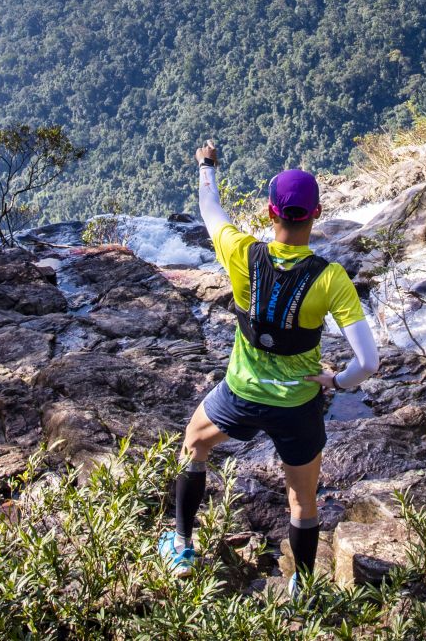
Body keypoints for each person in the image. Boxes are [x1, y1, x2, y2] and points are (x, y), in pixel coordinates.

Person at [159, 141, 379, 590]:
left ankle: (182, 543)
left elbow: (209, 207)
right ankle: (302, 588)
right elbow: (368, 362)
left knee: (194, 446)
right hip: (298, 404)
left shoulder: (242, 253)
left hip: (239, 395)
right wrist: (336, 380)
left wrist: (207, 166)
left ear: (268, 212)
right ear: (316, 213)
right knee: (303, 503)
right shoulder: (330, 277)